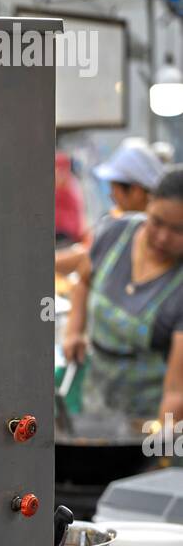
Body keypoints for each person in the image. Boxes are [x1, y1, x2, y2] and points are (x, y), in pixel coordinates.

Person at [63, 165, 183, 424]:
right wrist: (75, 330)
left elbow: (176, 392)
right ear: (148, 205)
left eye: (178, 230)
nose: (163, 237)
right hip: (95, 393)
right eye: (157, 222)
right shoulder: (116, 233)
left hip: (147, 416)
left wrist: (160, 447)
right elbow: (83, 281)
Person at [56, 139, 165, 278]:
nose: (111, 195)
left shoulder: (145, 227)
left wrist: (45, 263)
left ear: (136, 191)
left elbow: (89, 256)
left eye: (114, 188)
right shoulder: (119, 218)